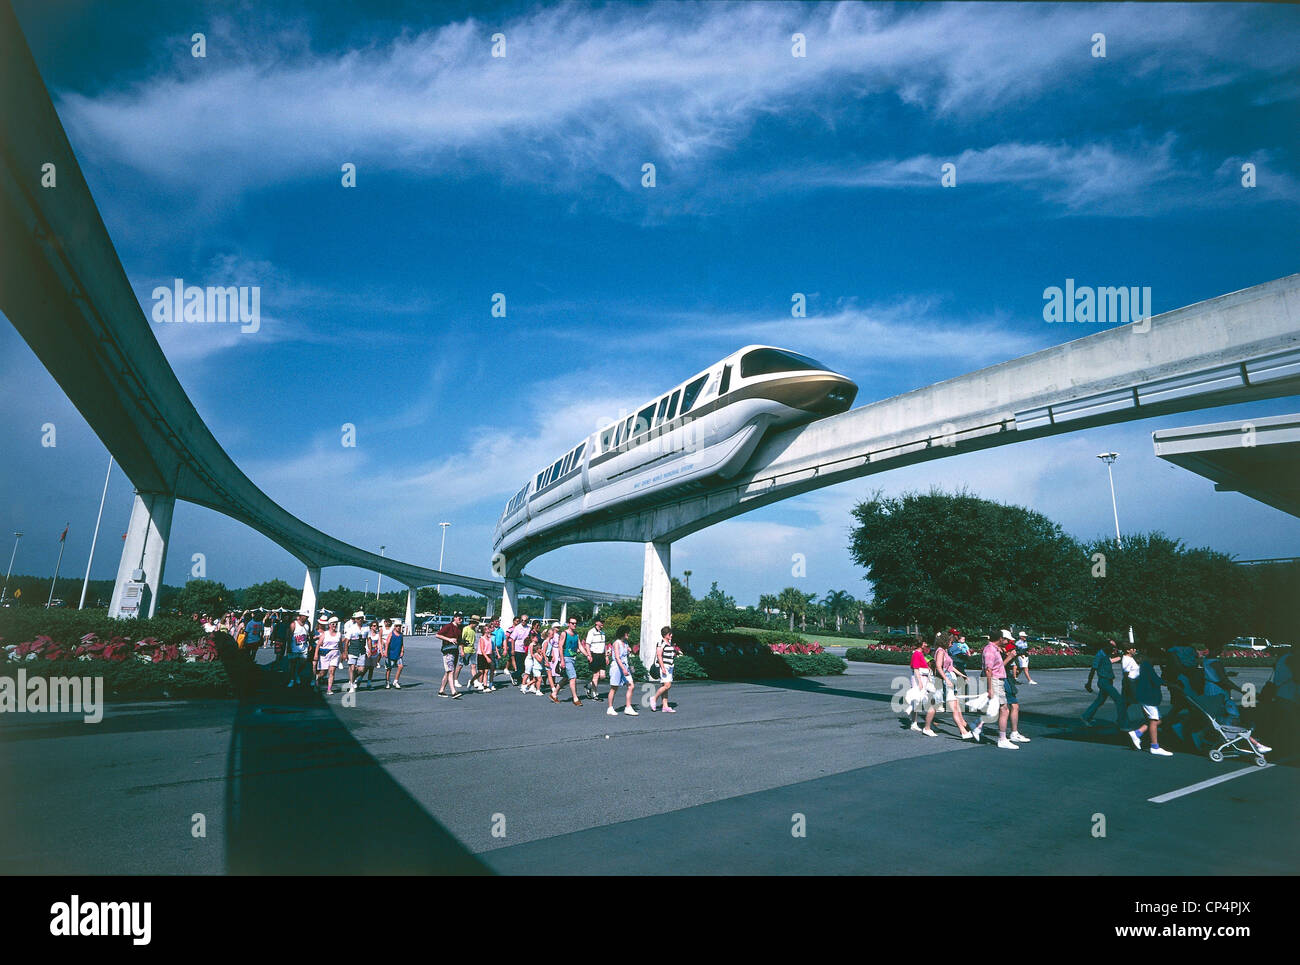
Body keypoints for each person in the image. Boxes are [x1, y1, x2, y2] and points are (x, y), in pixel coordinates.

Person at [972, 631, 1018, 749]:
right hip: (994, 681)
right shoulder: (990, 650)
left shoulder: (994, 649)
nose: (1007, 642)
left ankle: (977, 725)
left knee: (996, 708)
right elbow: (988, 669)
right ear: (1000, 639)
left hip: (997, 680)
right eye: (1006, 639)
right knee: (1004, 709)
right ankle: (1002, 739)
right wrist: (990, 688)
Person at [1128, 646, 1173, 756]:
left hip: (1146, 697)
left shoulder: (1145, 666)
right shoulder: (1147, 666)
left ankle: (1137, 733)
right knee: (1154, 720)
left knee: (1158, 720)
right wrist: (1170, 684)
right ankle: (1154, 746)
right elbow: (1155, 680)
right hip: (1147, 697)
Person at [933, 632, 974, 739]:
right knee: (954, 708)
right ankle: (963, 731)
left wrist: (963, 675)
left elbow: (951, 667)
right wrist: (946, 679)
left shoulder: (945, 651)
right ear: (945, 642)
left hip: (950, 680)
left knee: (956, 706)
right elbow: (938, 667)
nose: (952, 645)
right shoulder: (940, 652)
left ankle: (964, 726)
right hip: (946, 681)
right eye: (950, 642)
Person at [1082, 640, 1125, 728]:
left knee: (1100, 700)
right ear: (1107, 646)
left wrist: (1121, 656)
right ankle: (1122, 722)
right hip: (1104, 681)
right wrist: (1089, 683)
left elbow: (1111, 661)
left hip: (1108, 681)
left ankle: (1086, 716)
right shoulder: (1100, 655)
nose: (1114, 648)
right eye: (1113, 647)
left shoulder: (1106, 654)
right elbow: (1093, 669)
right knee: (1119, 700)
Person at [1001, 641, 1031, 744]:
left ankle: (976, 726)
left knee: (1006, 707)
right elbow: (997, 668)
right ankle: (1012, 733)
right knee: (1009, 707)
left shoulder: (1007, 655)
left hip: (1007, 680)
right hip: (1002, 681)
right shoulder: (999, 654)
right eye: (1011, 650)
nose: (1014, 652)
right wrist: (1009, 657)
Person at [907, 638, 938, 736]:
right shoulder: (917, 654)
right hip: (919, 679)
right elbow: (916, 669)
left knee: (919, 700)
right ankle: (914, 722)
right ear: (921, 644)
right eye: (925, 643)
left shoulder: (921, 654)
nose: (926, 645)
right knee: (917, 699)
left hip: (923, 678)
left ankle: (915, 722)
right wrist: (920, 682)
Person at [606, 626, 638, 716]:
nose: (628, 634)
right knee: (614, 688)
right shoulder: (617, 643)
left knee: (631, 685)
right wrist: (623, 669)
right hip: (617, 667)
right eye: (627, 632)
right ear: (623, 633)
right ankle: (610, 708)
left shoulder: (626, 643)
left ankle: (628, 707)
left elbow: (624, 655)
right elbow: (617, 657)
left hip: (625, 666)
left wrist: (628, 651)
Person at [436, 614, 464, 698]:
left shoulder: (460, 628)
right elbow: (437, 635)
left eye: (462, 618)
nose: (461, 620)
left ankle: (441, 690)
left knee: (448, 671)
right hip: (448, 651)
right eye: (459, 618)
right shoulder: (448, 626)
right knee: (451, 671)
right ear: (454, 618)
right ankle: (453, 691)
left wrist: (462, 650)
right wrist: (449, 639)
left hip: (455, 651)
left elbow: (460, 641)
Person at [314, 617, 342, 696]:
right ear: (329, 625)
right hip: (325, 654)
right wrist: (316, 654)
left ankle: (329, 689)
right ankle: (317, 678)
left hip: (335, 653)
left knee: (332, 671)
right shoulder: (325, 634)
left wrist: (343, 653)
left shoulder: (339, 634)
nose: (334, 625)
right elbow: (318, 645)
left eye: (336, 624)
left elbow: (340, 645)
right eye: (333, 624)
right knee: (323, 673)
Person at [651, 626, 676, 713]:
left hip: (670, 667)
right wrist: (662, 667)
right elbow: (659, 655)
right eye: (670, 634)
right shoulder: (661, 643)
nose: (671, 635)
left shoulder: (669, 643)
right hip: (664, 666)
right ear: (666, 634)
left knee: (665, 687)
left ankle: (665, 706)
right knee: (667, 685)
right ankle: (654, 698)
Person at [558, 617, 583, 705]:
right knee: (573, 677)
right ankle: (575, 698)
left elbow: (580, 646)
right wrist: (562, 660)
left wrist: (587, 654)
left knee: (566, 678)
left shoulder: (576, 634)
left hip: (573, 658)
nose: (574, 625)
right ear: (568, 624)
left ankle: (554, 693)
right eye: (572, 623)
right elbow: (560, 647)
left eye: (575, 623)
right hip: (566, 658)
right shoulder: (564, 633)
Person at [584, 617, 607, 700]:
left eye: (603, 621)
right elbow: (587, 645)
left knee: (603, 676)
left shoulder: (603, 633)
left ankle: (589, 686)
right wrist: (589, 655)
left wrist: (606, 656)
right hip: (594, 655)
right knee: (596, 675)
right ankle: (594, 694)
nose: (603, 623)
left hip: (601, 655)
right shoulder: (591, 632)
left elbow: (604, 645)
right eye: (601, 622)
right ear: (596, 622)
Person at [287, 612, 311, 688]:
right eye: (305, 616)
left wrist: (309, 644)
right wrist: (289, 648)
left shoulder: (307, 625)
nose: (306, 618)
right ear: (300, 616)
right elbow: (289, 636)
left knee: (303, 663)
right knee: (292, 665)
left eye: (307, 616)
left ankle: (297, 674)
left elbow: (308, 635)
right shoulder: (294, 624)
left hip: (303, 648)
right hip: (294, 648)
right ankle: (292, 679)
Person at [385, 621, 405, 689]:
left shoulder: (401, 635)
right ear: (394, 626)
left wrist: (402, 650)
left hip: (398, 653)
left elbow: (402, 643)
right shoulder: (391, 634)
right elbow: (387, 643)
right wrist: (385, 652)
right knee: (389, 668)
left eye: (399, 626)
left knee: (401, 666)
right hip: (391, 653)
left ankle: (396, 681)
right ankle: (387, 682)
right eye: (397, 626)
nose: (398, 627)